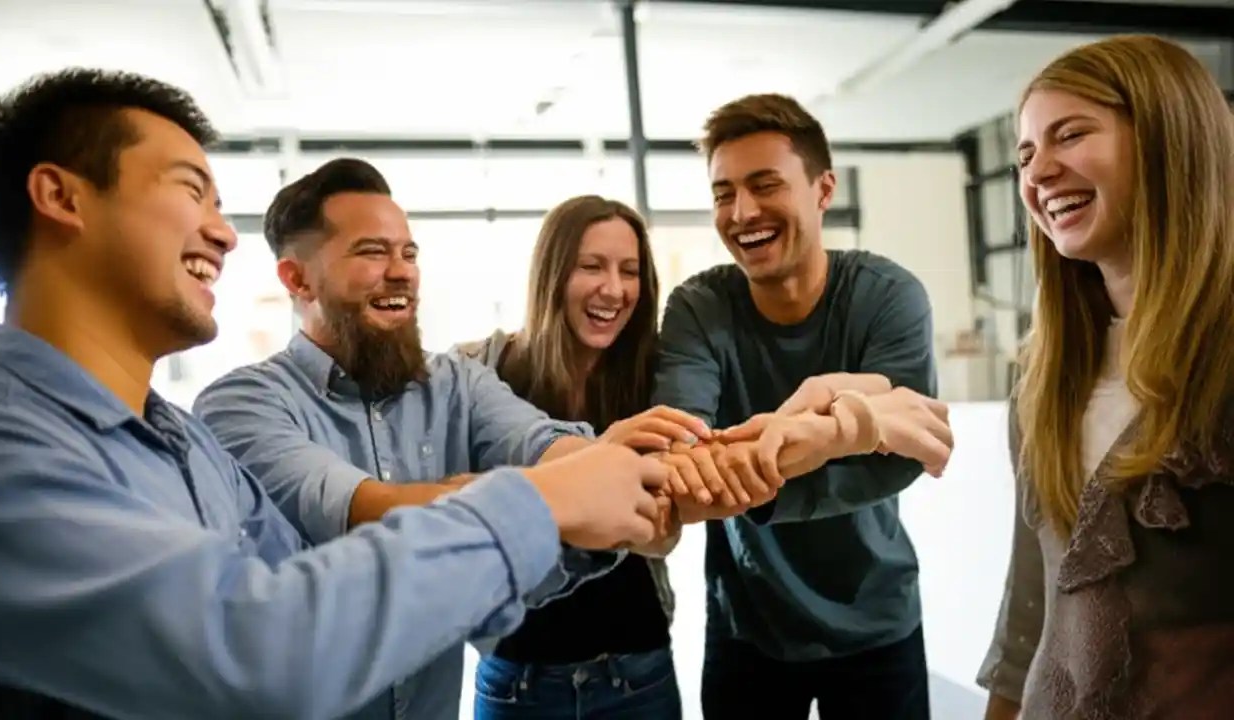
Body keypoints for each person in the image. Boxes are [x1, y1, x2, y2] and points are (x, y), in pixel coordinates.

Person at [0, 68, 670, 720]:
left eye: (409, 254)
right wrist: (547, 499)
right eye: (189, 190)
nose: (222, 234)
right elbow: (263, 646)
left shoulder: (184, 443)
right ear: (61, 197)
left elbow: (326, 583)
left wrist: (616, 496)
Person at [190, 160, 691, 720]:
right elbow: (364, 511)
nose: (401, 271)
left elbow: (540, 442)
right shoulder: (240, 406)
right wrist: (578, 483)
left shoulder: (457, 382)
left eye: (409, 253)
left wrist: (613, 467)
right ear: (297, 279)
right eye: (372, 252)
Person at [652, 92, 950, 720]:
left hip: (877, 622)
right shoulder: (698, 308)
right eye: (723, 192)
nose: (742, 211)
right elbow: (683, 446)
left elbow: (902, 459)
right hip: (748, 626)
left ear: (822, 190)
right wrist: (849, 429)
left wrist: (762, 460)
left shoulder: (887, 296)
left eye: (765, 185)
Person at [977, 34, 1234, 720]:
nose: (1038, 173)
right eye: (1026, 154)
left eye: (1070, 135)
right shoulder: (1043, 377)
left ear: (1167, 139)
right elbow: (1033, 599)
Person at [455, 195, 698, 718]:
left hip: (636, 671)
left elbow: (663, 532)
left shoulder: (655, 376)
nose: (614, 288)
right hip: (516, 678)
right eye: (592, 266)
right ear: (552, 273)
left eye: (629, 271)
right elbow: (460, 508)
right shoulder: (477, 370)